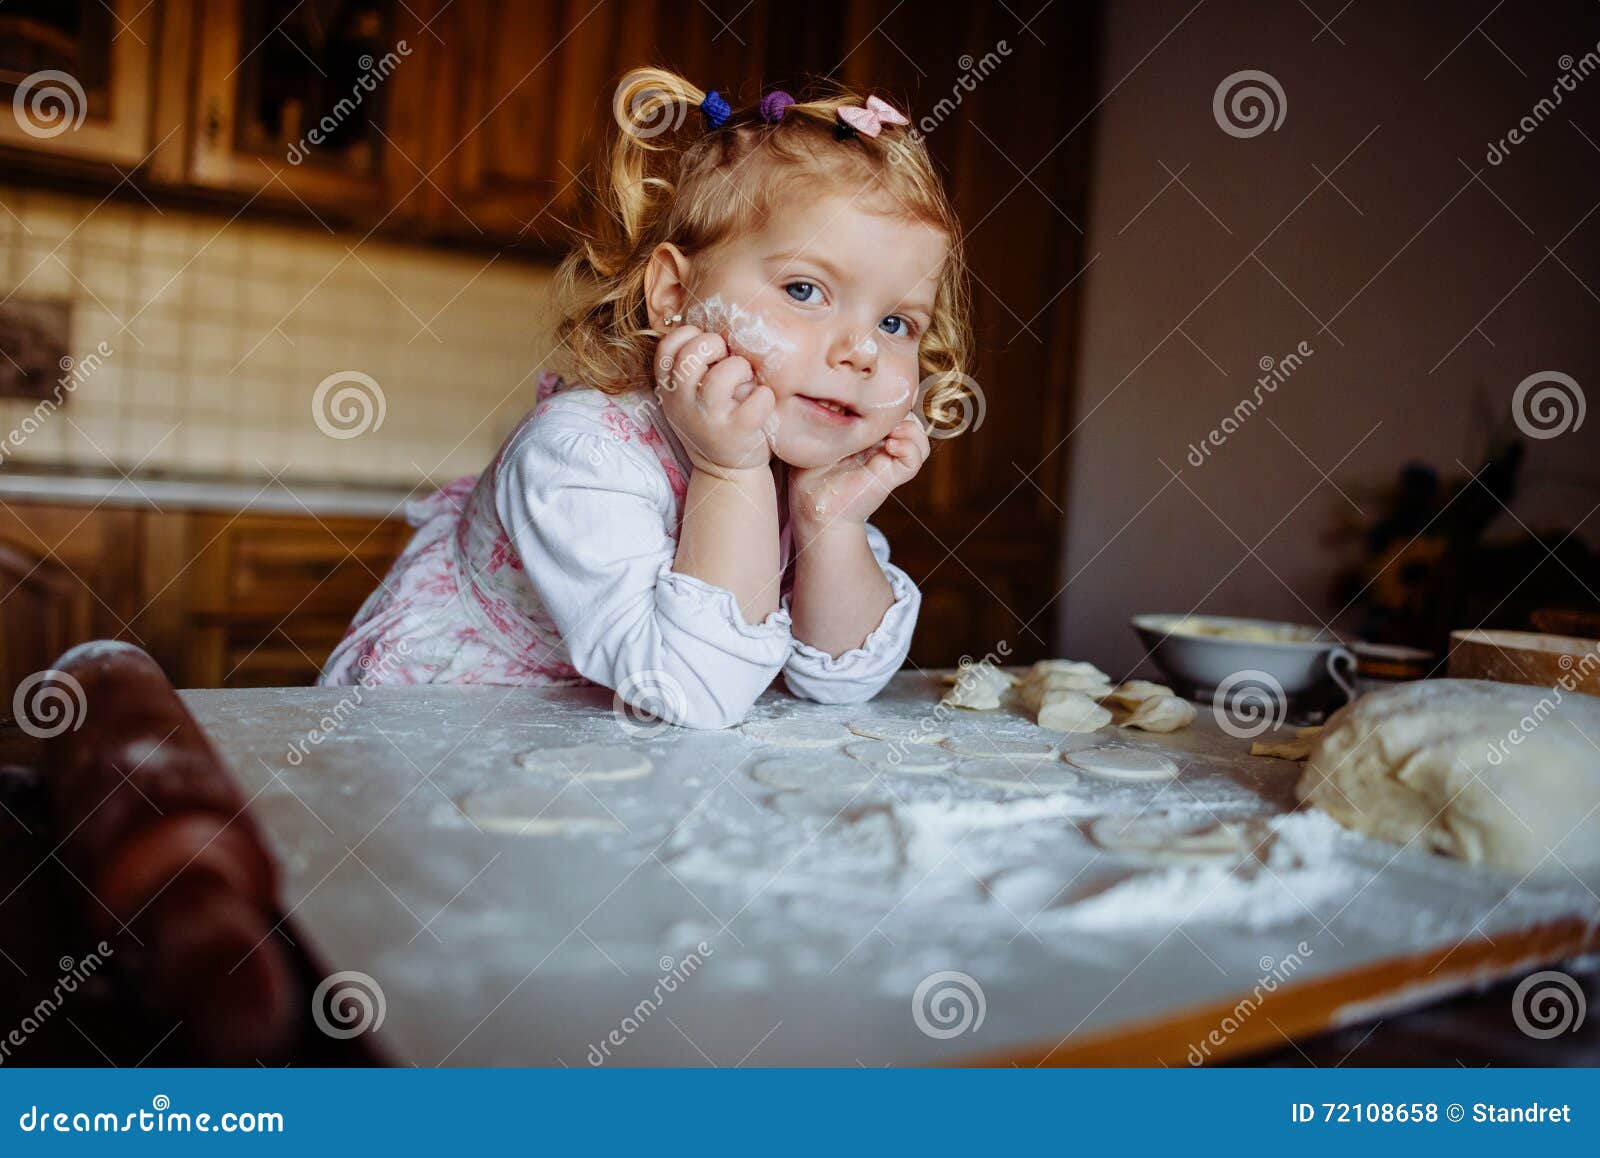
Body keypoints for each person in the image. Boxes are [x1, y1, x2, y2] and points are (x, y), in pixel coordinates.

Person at [320, 67, 975, 729]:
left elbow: (842, 682)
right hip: (441, 730)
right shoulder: (580, 451)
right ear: (672, 295)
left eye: (896, 324)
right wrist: (730, 471)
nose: (862, 351)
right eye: (805, 290)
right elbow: (693, 693)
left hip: (602, 746)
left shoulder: (802, 463)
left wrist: (830, 522)